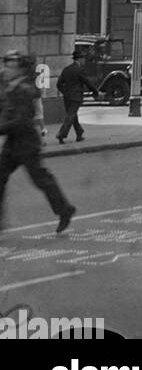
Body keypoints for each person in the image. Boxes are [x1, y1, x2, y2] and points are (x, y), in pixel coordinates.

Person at [0, 51, 75, 234]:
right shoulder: (9, 86)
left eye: (10, 65)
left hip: (26, 142)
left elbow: (20, 119)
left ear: (20, 69)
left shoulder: (24, 89)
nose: (5, 69)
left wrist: (1, 127)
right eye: (6, 64)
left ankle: (64, 209)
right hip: (13, 142)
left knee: (41, 180)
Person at [55, 49, 99, 144]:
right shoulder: (79, 70)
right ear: (79, 59)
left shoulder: (66, 69)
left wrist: (65, 92)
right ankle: (61, 134)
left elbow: (58, 84)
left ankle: (79, 133)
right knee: (71, 116)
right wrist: (96, 92)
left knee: (72, 115)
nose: (84, 61)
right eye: (83, 58)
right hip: (76, 97)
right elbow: (87, 82)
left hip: (67, 97)